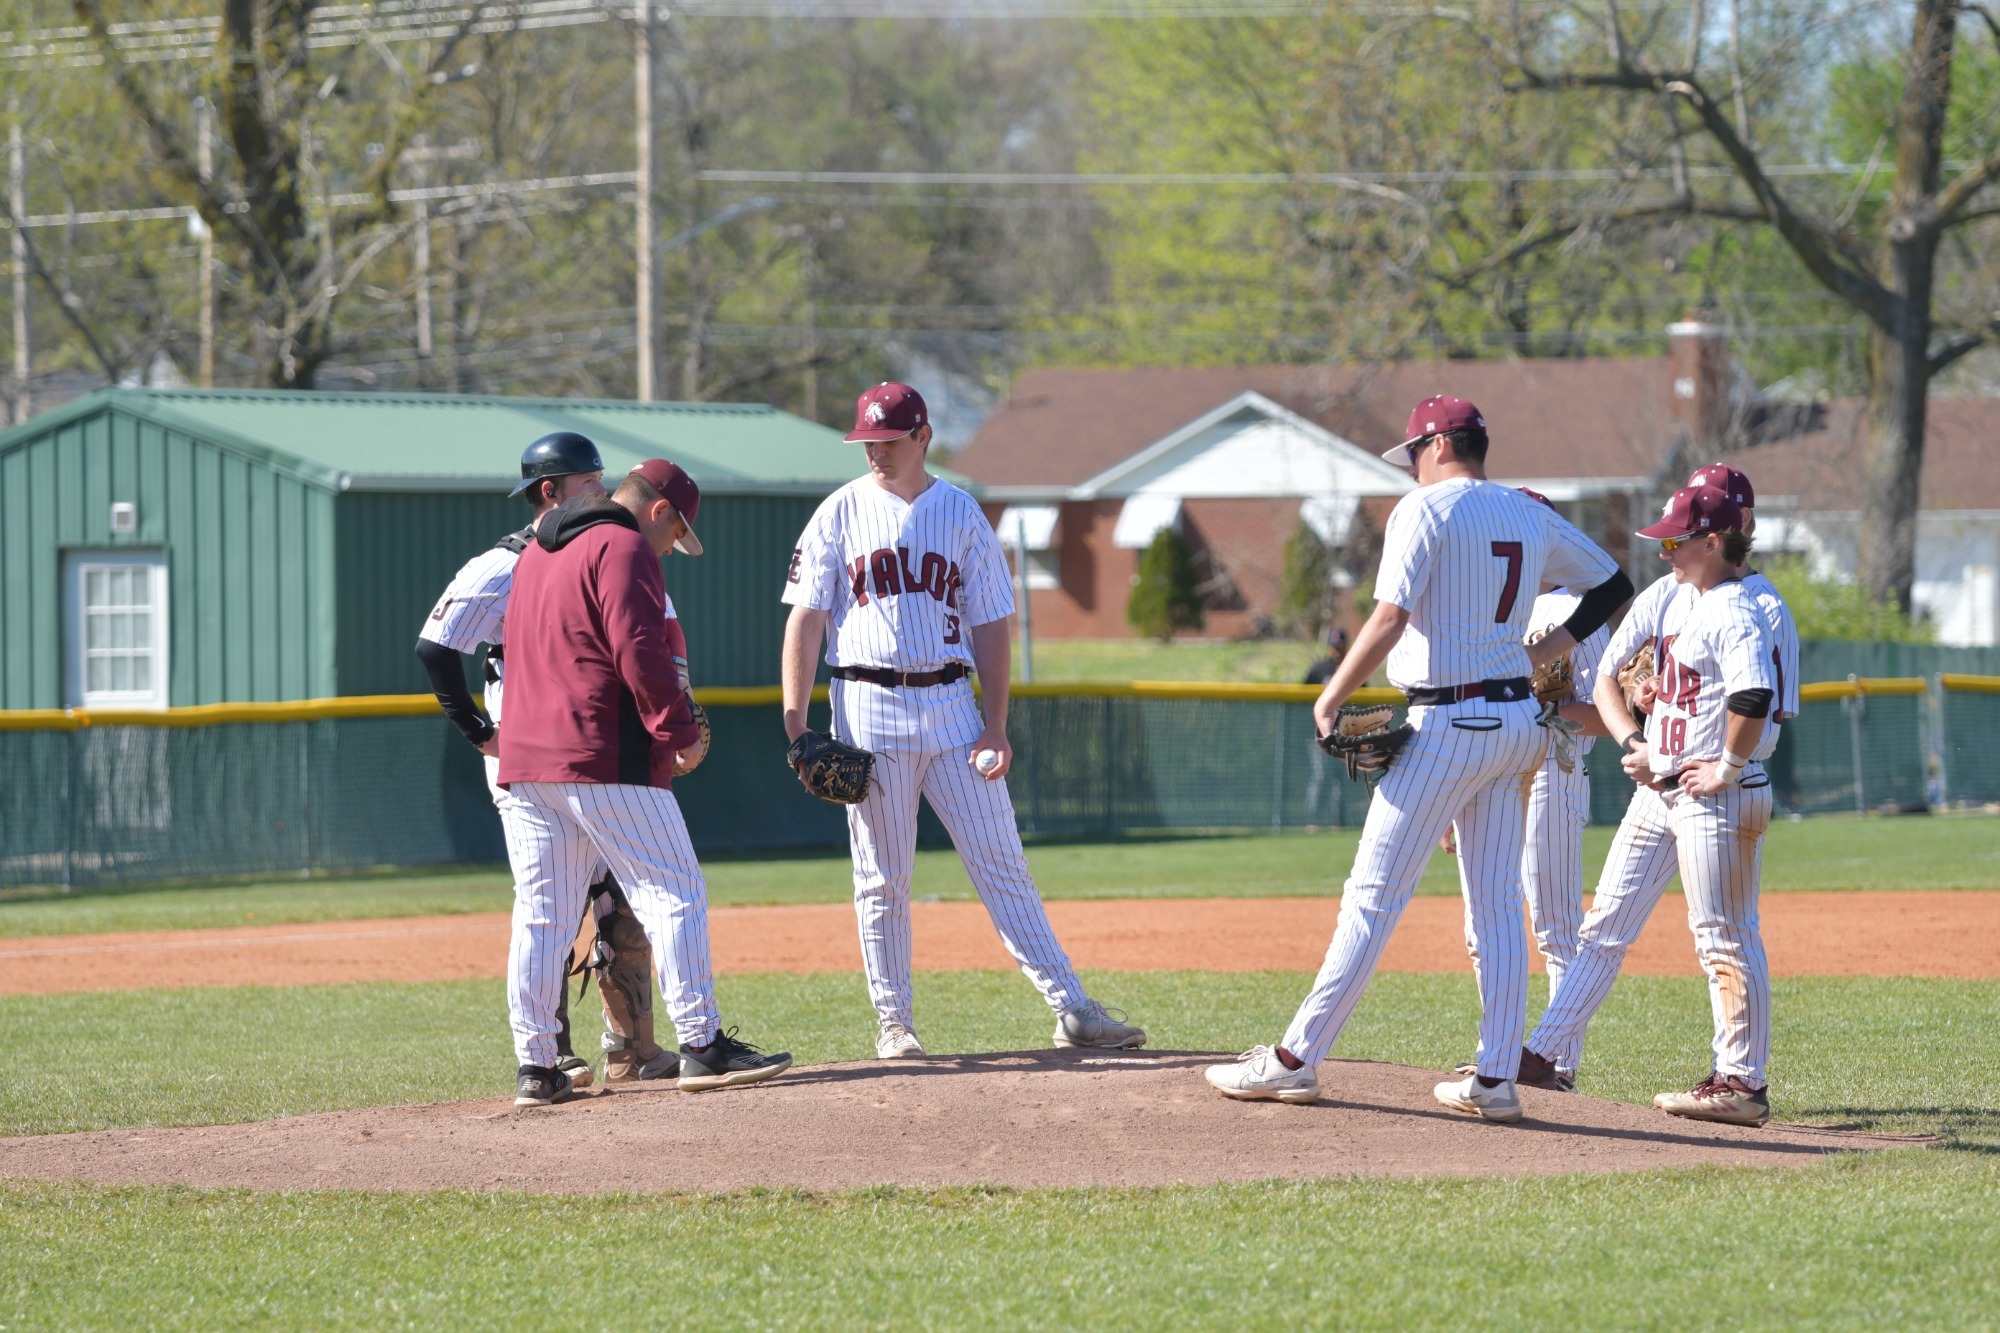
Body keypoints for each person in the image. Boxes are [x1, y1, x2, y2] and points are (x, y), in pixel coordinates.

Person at [1204, 395, 1631, 1122]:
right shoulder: (1523, 510)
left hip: (1450, 722)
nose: (1411, 471)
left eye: (1412, 457)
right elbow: (1614, 583)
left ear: (1436, 447)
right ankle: (1496, 1077)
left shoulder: (1425, 510)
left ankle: (1294, 1059)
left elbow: (1389, 615)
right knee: (1497, 904)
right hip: (1516, 722)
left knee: (1371, 897)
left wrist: (1331, 693)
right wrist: (1545, 653)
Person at [779, 382, 1147, 1060]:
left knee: (1002, 862)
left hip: (952, 705)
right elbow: (805, 620)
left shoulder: (963, 514)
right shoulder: (838, 512)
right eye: (866, 443)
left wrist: (996, 724)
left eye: (887, 441)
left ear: (922, 437)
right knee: (883, 876)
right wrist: (797, 725)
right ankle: (895, 1024)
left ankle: (1073, 1007)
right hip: (867, 706)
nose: (875, 454)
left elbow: (992, 625)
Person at [498, 458, 791, 1105]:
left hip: (525, 759)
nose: (670, 547)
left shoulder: (536, 553)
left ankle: (537, 1066)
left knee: (543, 913)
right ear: (660, 511)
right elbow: (639, 646)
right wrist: (675, 728)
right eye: (674, 532)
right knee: (673, 890)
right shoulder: (624, 544)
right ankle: (704, 1044)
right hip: (602, 749)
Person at [1521, 482, 1792, 1126]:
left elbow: (1754, 698)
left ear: (1715, 541)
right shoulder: (1671, 593)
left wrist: (1725, 765)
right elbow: (1613, 672)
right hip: (1661, 789)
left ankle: (1742, 1082)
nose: (1665, 549)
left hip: (1716, 793)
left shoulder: (1743, 606)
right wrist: (1636, 741)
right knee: (1603, 928)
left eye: (1676, 540)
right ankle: (1542, 1056)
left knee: (1722, 934)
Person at [414, 433, 679, 1089]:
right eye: (589, 481)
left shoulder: (610, 550)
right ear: (549, 490)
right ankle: (549, 1053)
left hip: (598, 740)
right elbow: (436, 644)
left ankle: (630, 1046)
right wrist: (479, 729)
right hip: (527, 743)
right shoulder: (507, 560)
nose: (602, 490)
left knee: (618, 900)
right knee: (550, 899)